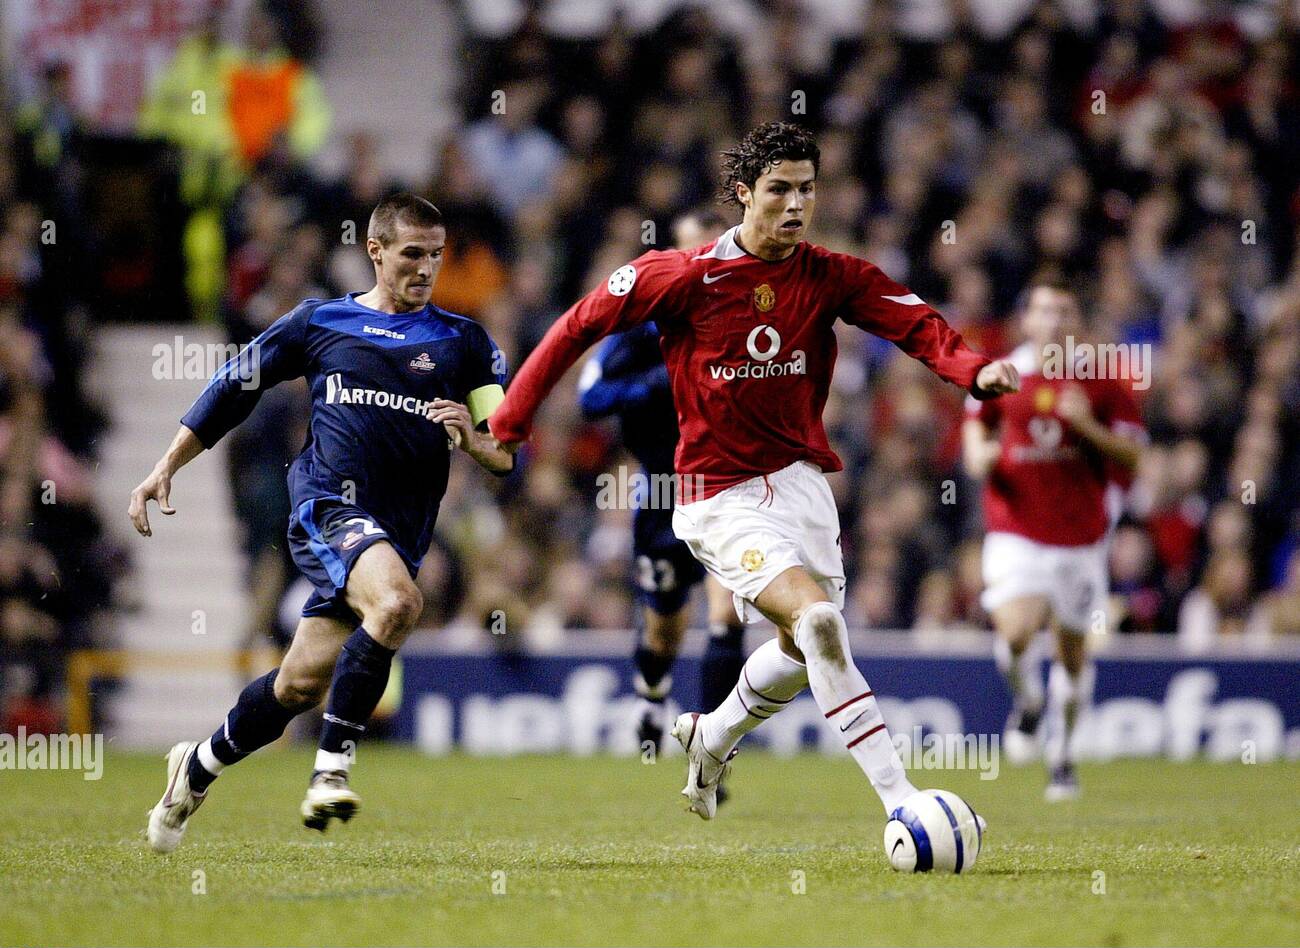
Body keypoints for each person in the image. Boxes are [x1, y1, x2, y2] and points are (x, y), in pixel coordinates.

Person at [489, 122, 1019, 821]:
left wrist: (972, 370)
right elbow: (577, 325)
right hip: (716, 495)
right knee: (822, 622)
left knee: (804, 647)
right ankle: (903, 801)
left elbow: (912, 320)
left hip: (802, 487)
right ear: (743, 192)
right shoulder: (683, 276)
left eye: (807, 189)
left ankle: (712, 734)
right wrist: (507, 424)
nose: (796, 204)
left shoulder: (830, 275)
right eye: (779, 189)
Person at [128, 193, 512, 851]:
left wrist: (476, 443)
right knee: (397, 604)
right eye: (412, 254)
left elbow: (504, 448)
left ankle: (194, 767)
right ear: (375, 251)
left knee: (298, 683)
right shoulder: (321, 322)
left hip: (398, 533)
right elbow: (235, 385)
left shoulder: (466, 342)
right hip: (327, 508)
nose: (426, 268)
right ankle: (330, 770)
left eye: (436, 256)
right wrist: (168, 463)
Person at [577, 207, 745, 784]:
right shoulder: (641, 327)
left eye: (709, 249)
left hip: (729, 486)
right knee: (665, 630)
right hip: (666, 493)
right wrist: (655, 385)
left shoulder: (745, 325)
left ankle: (714, 759)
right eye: (687, 251)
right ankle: (652, 699)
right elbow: (590, 398)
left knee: (726, 617)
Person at [962, 274, 1144, 800]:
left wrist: (1087, 427)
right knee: (1015, 633)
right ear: (1027, 318)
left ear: (1076, 321)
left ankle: (1062, 757)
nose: (1054, 322)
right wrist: (978, 454)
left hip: (1081, 539)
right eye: (1044, 311)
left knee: (1071, 652)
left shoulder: (1101, 381)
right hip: (1015, 529)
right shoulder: (1004, 373)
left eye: (1064, 312)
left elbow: (1133, 453)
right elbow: (978, 422)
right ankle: (1028, 702)